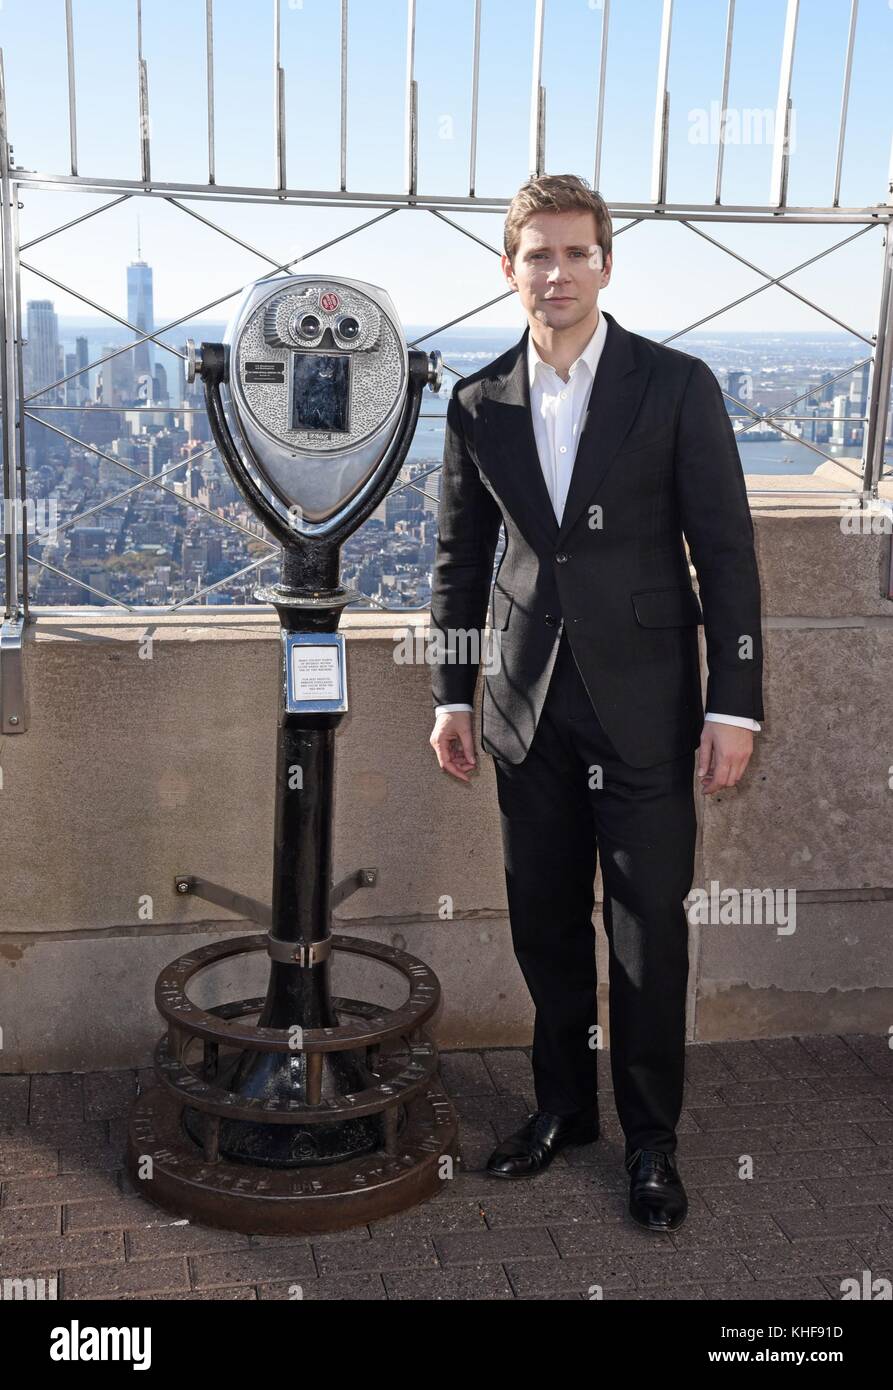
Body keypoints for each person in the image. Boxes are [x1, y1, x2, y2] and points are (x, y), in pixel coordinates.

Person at [428, 173, 764, 1232]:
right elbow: (458, 557)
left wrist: (735, 704)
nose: (557, 272)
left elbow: (724, 553)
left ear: (605, 264)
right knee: (543, 928)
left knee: (644, 936)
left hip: (649, 711)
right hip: (525, 707)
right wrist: (449, 691)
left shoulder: (675, 384)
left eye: (576, 253)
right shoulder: (477, 401)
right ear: (508, 268)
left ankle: (650, 1143)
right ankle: (561, 1111)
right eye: (537, 254)